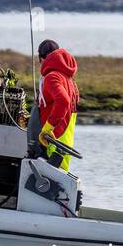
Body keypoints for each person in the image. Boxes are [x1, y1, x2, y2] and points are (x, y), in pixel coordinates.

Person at [34, 39, 79, 171]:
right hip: (64, 146)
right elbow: (51, 107)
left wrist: (48, 128)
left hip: (53, 144)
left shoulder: (51, 77)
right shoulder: (69, 80)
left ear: (40, 59)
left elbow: (63, 102)